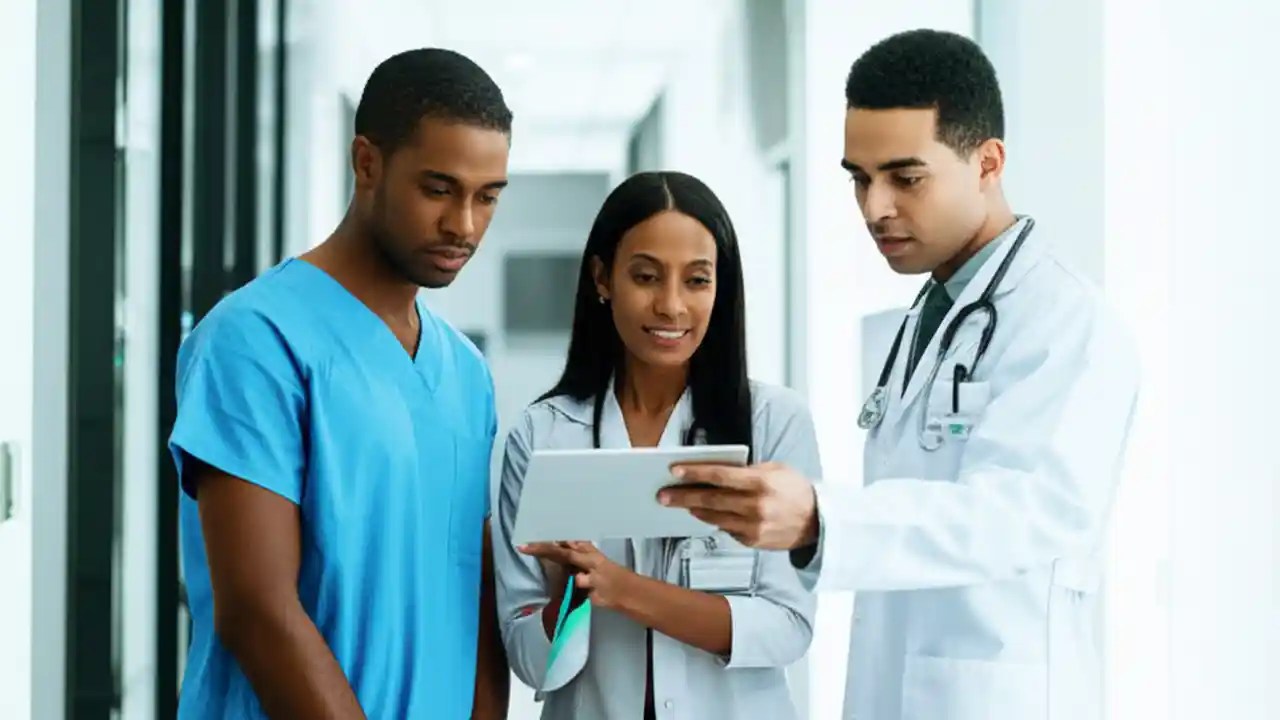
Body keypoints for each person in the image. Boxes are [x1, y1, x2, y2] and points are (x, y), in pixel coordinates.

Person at [659, 29, 1140, 720]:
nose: (873, 207)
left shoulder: (1066, 321)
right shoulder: (930, 316)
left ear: (987, 162)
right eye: (859, 177)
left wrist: (821, 517)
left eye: (905, 178)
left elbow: (1021, 515)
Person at [168, 48, 512, 719]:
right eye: (438, 189)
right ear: (367, 163)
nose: (464, 225)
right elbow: (258, 612)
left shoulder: (467, 374)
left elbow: (473, 599)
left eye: (487, 196)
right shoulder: (254, 340)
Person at [491, 171, 820, 719]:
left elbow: (787, 627)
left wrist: (621, 588)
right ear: (603, 278)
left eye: (697, 280)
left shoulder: (773, 424)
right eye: (646, 277)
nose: (671, 305)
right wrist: (575, 593)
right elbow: (530, 661)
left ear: (720, 288)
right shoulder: (541, 435)